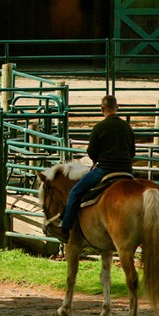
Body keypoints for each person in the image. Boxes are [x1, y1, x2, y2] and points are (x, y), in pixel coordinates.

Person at [60, 95, 135, 237]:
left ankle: (66, 227)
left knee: (75, 192)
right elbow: (132, 151)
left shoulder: (99, 127)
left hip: (104, 169)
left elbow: (91, 151)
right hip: (126, 170)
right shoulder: (127, 127)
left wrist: (96, 159)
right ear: (117, 108)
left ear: (102, 109)